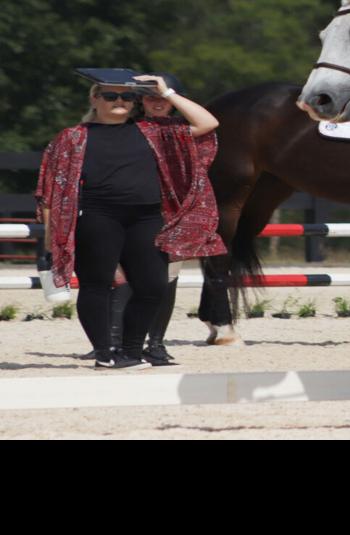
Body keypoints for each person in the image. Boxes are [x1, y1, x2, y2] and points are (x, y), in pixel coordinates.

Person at [36, 72, 224, 370]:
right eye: (110, 96)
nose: (119, 101)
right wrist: (51, 237)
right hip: (98, 216)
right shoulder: (73, 137)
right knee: (96, 285)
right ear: (95, 99)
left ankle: (132, 351)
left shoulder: (153, 131)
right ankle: (104, 352)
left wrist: (167, 92)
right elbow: (50, 189)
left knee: (153, 287)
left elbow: (207, 123)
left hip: (146, 217)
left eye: (127, 97)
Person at [133, 73, 215, 365]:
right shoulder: (129, 129)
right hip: (128, 211)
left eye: (162, 98)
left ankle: (155, 343)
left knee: (167, 280)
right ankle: (113, 342)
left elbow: (209, 123)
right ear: (140, 100)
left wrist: (167, 92)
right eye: (149, 96)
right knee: (121, 277)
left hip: (167, 214)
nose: (156, 102)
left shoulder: (176, 130)